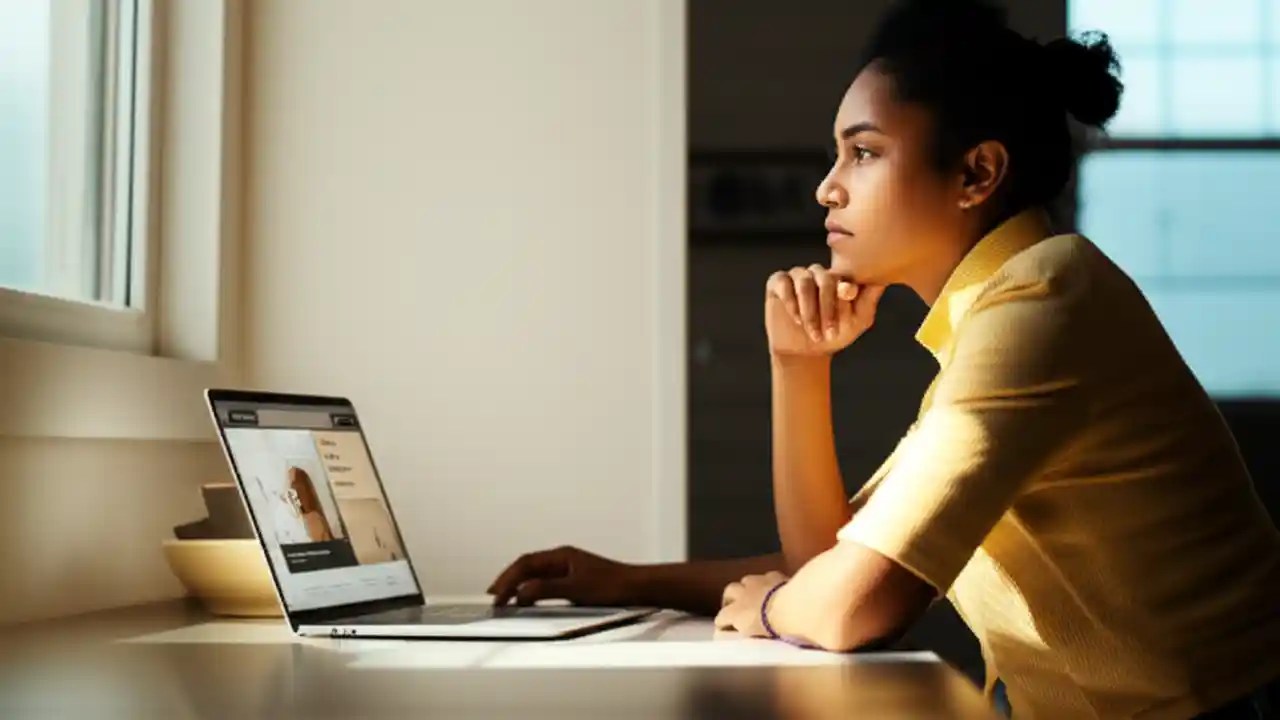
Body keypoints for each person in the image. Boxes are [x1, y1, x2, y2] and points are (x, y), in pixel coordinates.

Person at [488, 1, 1280, 717]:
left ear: (976, 173)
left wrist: (771, 608)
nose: (826, 190)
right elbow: (834, 561)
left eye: (862, 153)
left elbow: (848, 606)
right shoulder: (1004, 313)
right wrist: (797, 367)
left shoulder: (1045, 302)